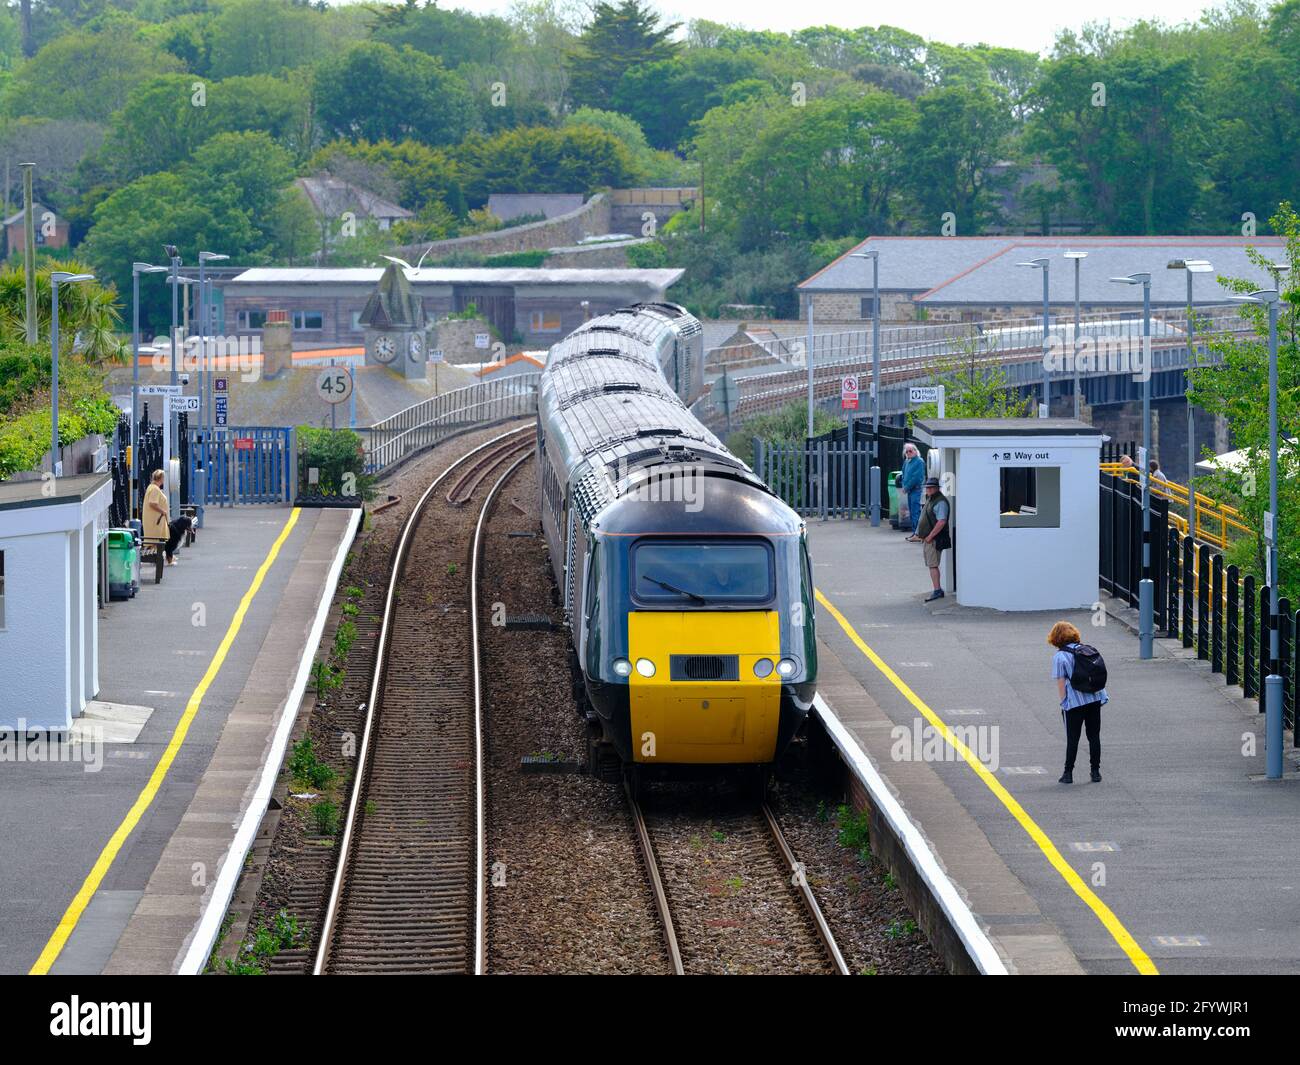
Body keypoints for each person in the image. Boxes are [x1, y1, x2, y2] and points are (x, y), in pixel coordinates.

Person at [1048, 621, 1108, 784]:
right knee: (1094, 736)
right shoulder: (1088, 650)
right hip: (1094, 698)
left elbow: (1061, 683)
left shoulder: (1060, 657)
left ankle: (1068, 774)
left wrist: (1063, 703)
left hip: (1074, 703)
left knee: (1073, 738)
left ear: (1055, 638)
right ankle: (1095, 772)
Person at [906, 477, 949, 602]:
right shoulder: (932, 500)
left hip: (933, 539)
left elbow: (941, 521)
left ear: (936, 488)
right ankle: (937, 589)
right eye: (927, 488)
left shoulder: (940, 502)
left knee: (933, 565)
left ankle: (937, 590)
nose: (928, 490)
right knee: (931, 565)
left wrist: (930, 537)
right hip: (928, 538)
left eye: (930, 488)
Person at [143, 469, 192, 566]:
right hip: (156, 520)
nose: (164, 480)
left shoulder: (152, 487)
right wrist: (163, 511)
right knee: (158, 539)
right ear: (160, 478)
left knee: (158, 540)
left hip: (156, 519)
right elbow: (153, 503)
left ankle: (160, 558)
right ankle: (160, 560)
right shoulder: (154, 489)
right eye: (163, 478)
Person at [900, 443, 925, 534]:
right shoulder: (906, 462)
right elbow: (903, 474)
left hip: (916, 489)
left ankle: (918, 533)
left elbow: (916, 478)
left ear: (915, 451)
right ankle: (915, 533)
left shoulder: (919, 461)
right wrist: (904, 485)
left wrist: (906, 487)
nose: (908, 453)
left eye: (910, 451)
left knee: (915, 512)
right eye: (907, 451)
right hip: (910, 490)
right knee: (912, 511)